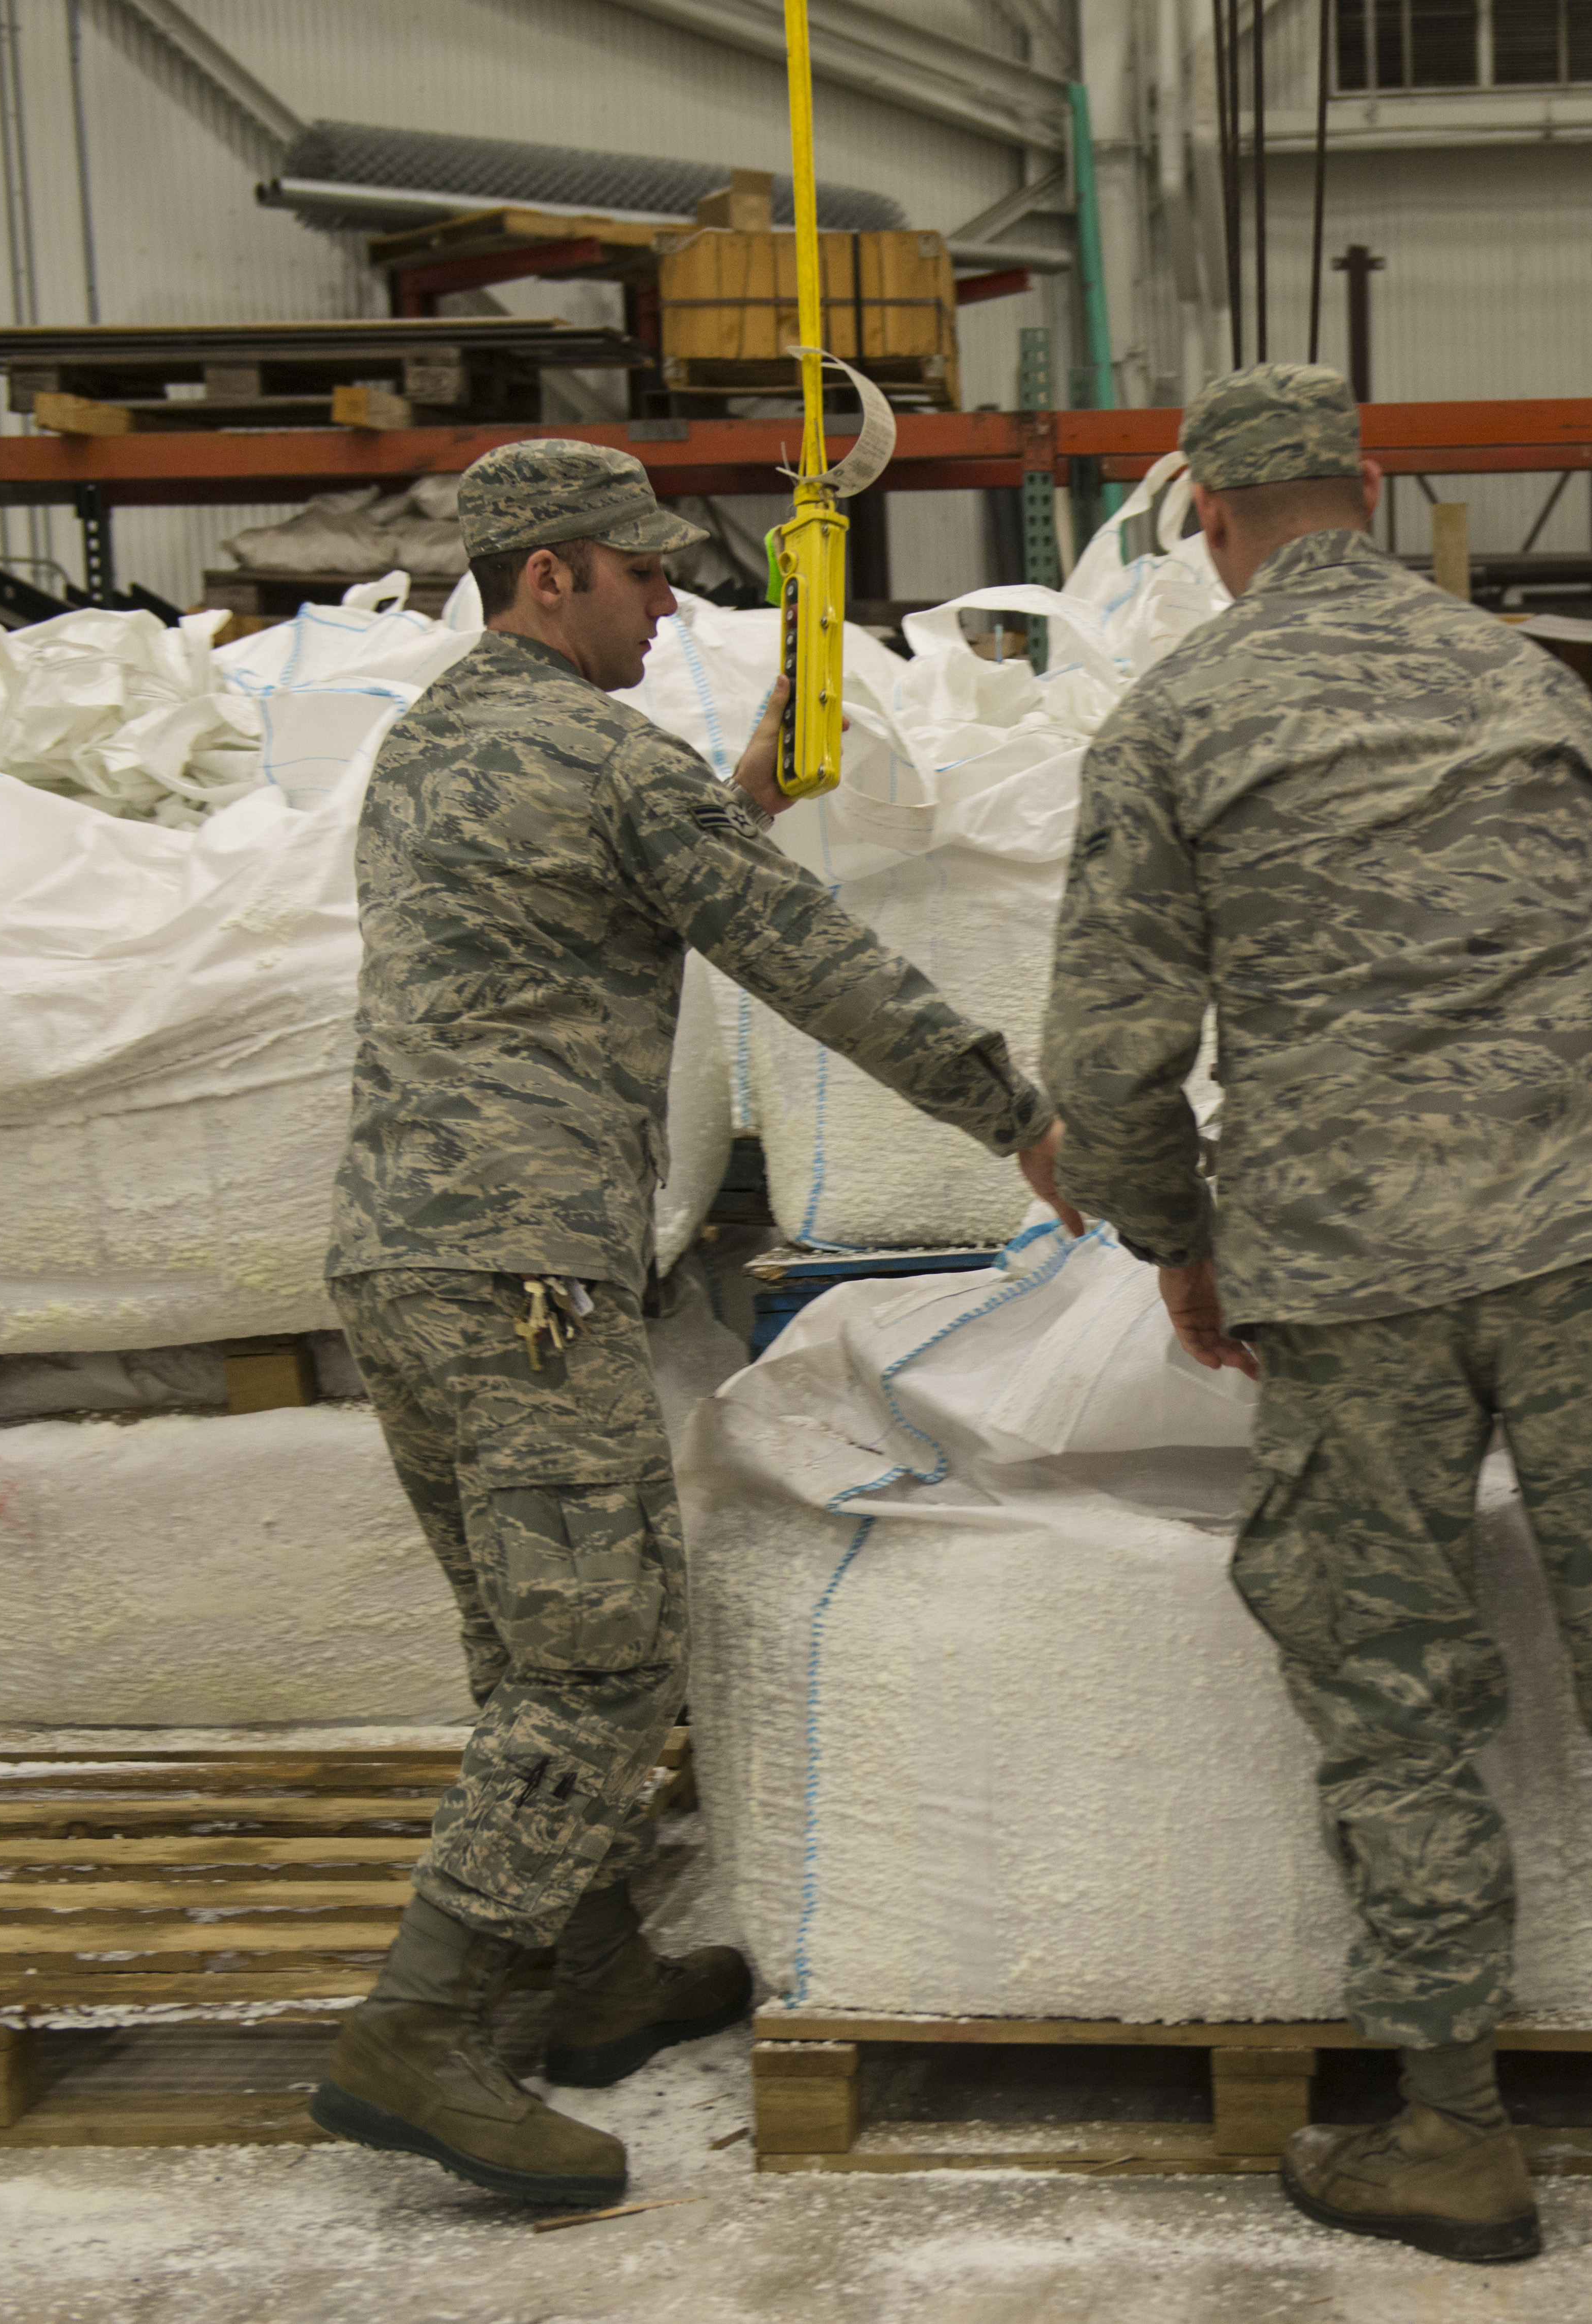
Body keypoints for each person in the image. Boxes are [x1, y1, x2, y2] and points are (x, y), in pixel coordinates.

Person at [1040, 367, 1592, 2263]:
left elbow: (1113, 1059)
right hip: (1586, 1243)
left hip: (1346, 1271)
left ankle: (1454, 2132)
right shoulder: (1529, 681)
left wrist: (1180, 1239)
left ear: (1208, 517)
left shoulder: (1174, 718)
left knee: (1390, 1700)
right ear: (1370, 488)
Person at [314, 438, 1076, 2206]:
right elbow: (808, 956)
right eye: (641, 571)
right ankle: (417, 2029)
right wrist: (1019, 1114)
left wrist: (729, 800)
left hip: (400, 1259)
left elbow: (579, 900)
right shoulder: (606, 757)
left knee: (529, 1646)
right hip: (524, 1274)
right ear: (549, 574)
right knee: (603, 1659)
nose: (670, 602)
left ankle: (593, 1978)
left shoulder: (429, 742)